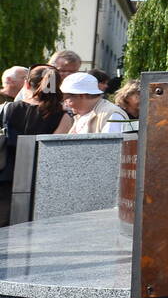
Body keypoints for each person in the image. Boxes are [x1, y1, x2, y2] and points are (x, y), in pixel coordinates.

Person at [1, 65, 73, 226]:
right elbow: (53, 152)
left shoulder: (7, 108)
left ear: (27, 84)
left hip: (5, 175)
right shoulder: (63, 116)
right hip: (39, 180)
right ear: (58, 86)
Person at [62, 72, 131, 134]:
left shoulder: (111, 115)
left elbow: (112, 144)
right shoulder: (81, 115)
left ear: (81, 95)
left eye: (66, 98)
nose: (65, 102)